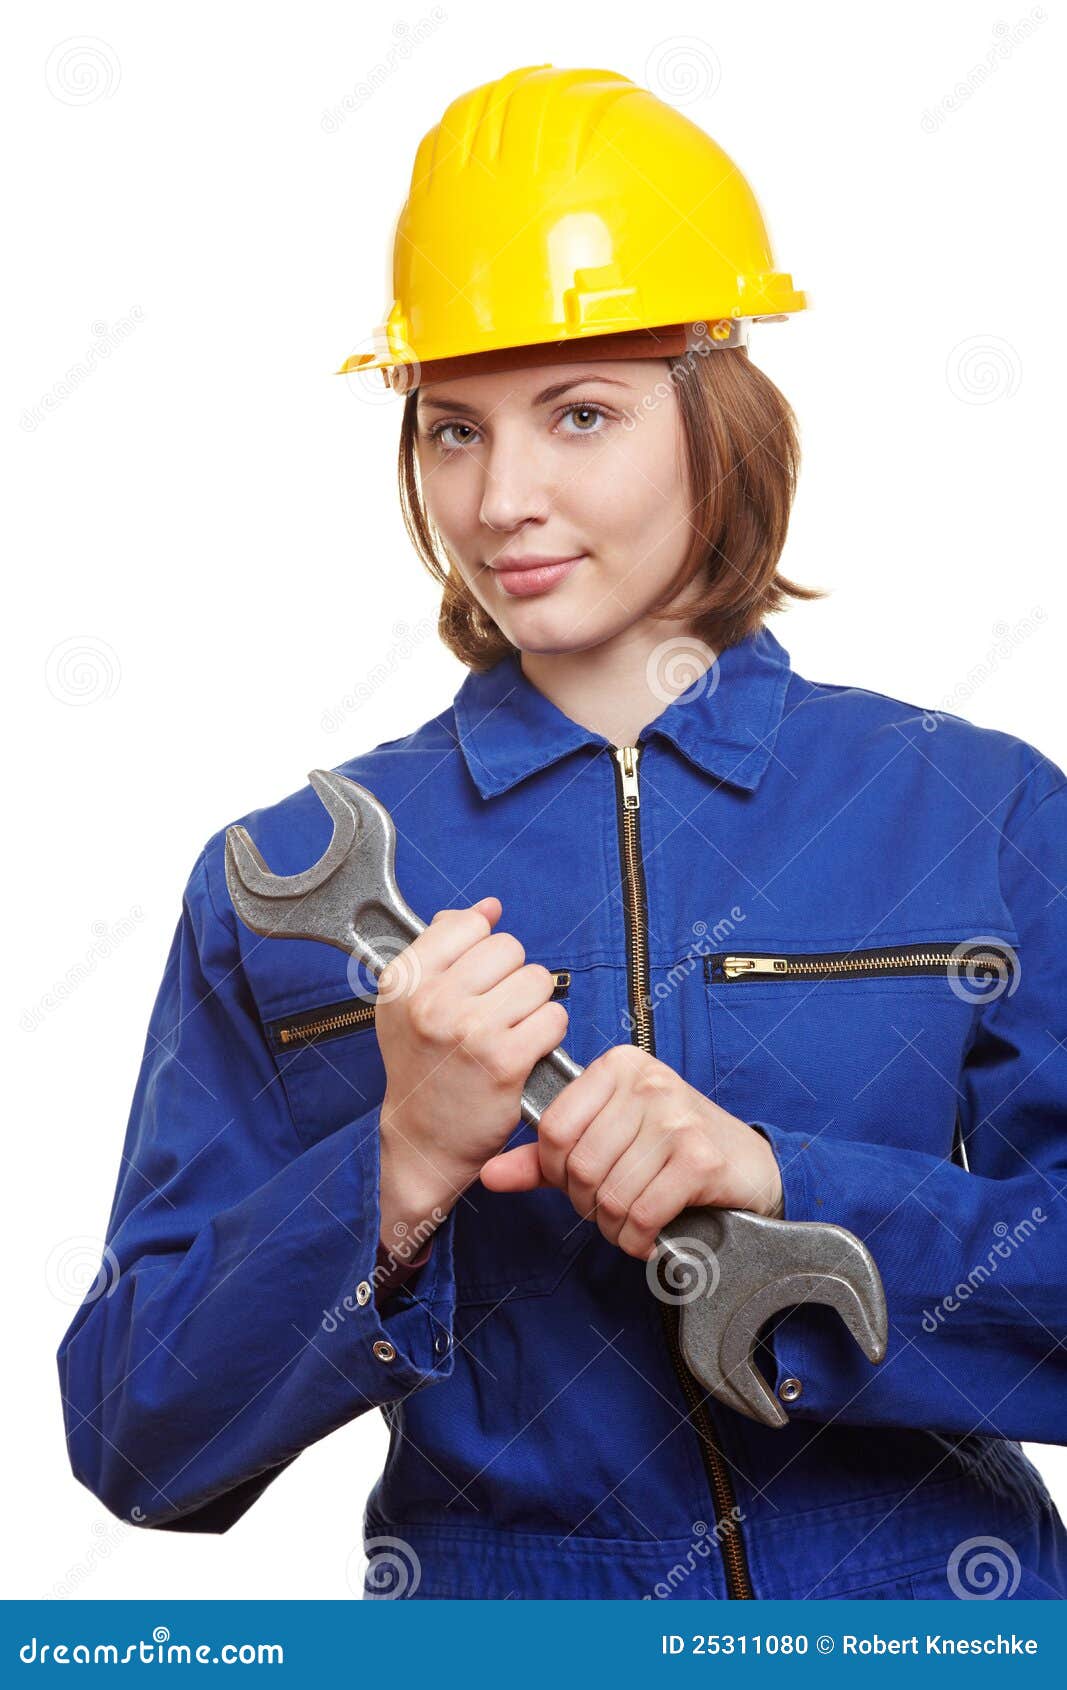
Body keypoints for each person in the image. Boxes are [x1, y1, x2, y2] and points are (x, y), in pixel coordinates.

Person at [58, 64, 1067, 1601]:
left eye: (579, 413)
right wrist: (394, 1171)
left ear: (718, 416)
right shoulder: (288, 884)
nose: (504, 497)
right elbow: (138, 1431)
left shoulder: (975, 809)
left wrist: (787, 1188)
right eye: (452, 429)